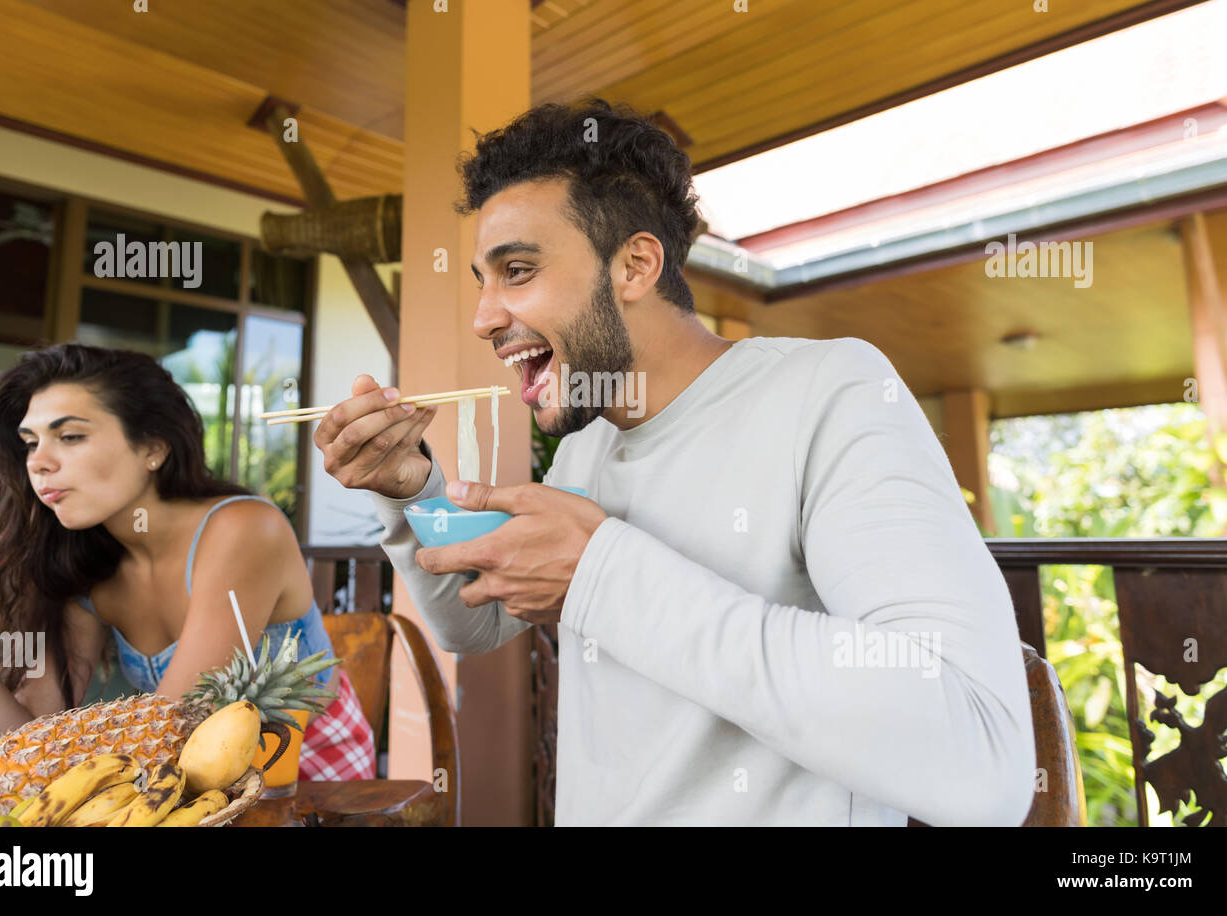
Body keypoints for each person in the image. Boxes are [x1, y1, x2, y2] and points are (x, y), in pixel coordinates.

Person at [314, 97, 1035, 825]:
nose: (484, 317)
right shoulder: (584, 449)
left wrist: (600, 573)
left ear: (635, 264)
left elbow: (981, 761)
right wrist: (408, 488)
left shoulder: (832, 392)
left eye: (519, 270)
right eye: (482, 279)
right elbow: (475, 621)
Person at [0, 343, 374, 781]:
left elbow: (168, 725)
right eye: (30, 443)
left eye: (70, 437)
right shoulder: (88, 567)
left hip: (306, 779)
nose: (39, 462)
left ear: (153, 448)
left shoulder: (242, 530)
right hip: (180, 780)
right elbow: (12, 748)